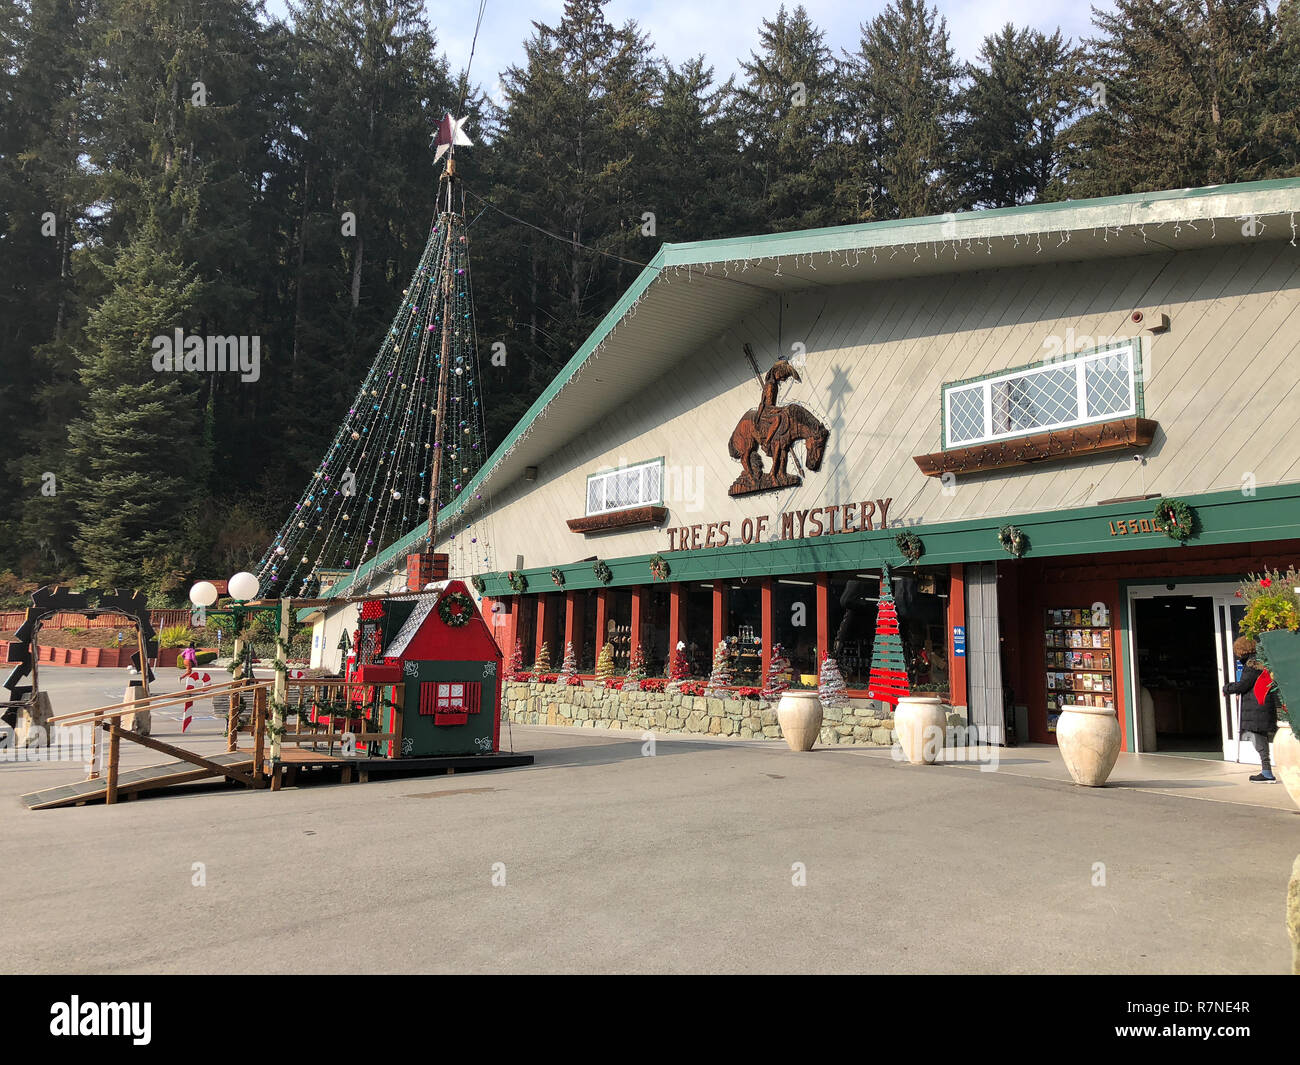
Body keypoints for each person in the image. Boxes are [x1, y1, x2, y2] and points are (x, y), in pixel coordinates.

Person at [1222, 636, 1279, 782]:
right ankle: (1266, 771)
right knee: (1262, 739)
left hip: (1257, 708)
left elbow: (1243, 685)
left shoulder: (1252, 664)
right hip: (1262, 705)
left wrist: (1227, 688)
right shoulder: (1260, 662)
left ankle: (1267, 773)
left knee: (1259, 740)